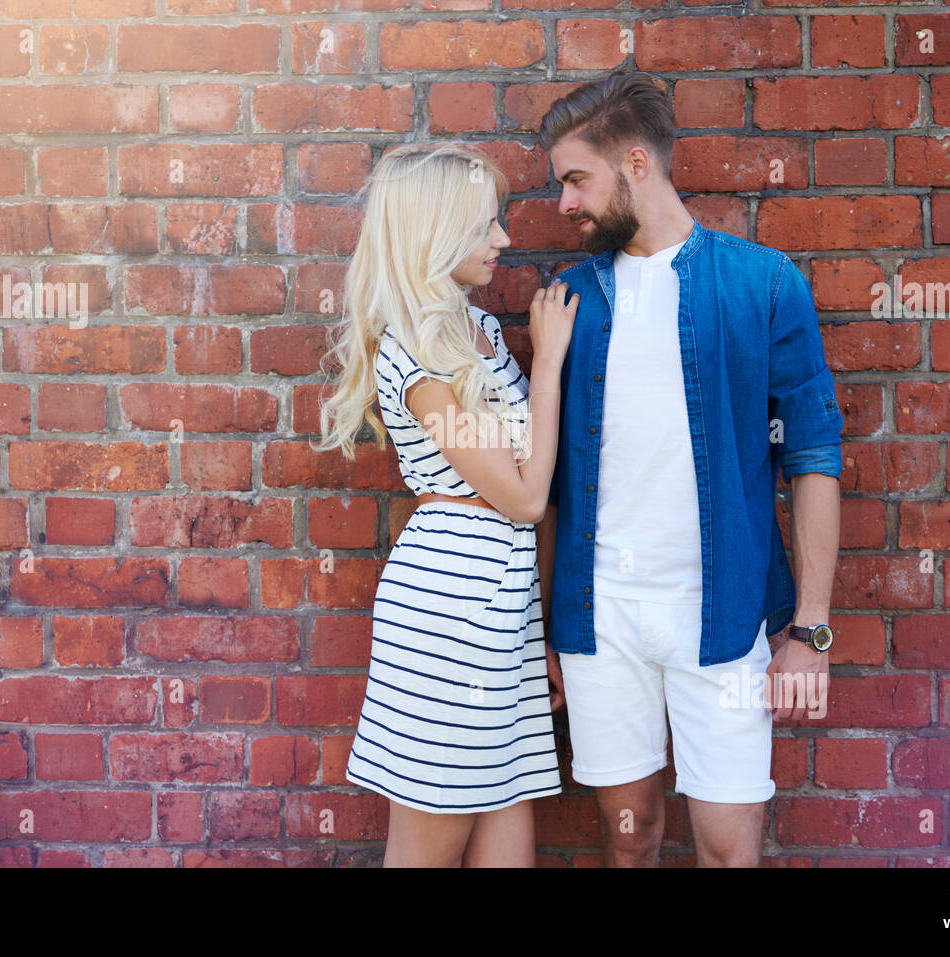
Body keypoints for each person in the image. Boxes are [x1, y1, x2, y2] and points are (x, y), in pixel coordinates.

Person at [533, 70, 845, 867]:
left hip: (726, 612)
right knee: (627, 837)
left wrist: (809, 627)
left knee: (729, 847)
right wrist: (550, 627)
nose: (565, 204)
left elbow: (812, 456)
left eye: (576, 180)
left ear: (636, 164)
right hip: (602, 618)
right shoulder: (568, 301)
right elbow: (545, 486)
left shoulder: (762, 283)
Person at [316, 143, 579, 867]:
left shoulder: (483, 335)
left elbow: (535, 487)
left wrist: (543, 628)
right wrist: (550, 363)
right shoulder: (419, 356)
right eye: (483, 225)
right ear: (433, 234)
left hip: (507, 620)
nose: (502, 240)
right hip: (448, 622)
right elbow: (525, 494)